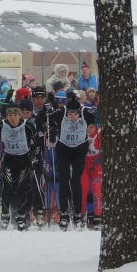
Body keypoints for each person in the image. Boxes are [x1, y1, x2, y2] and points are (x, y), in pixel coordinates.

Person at [50, 97, 97, 230]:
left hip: (79, 151)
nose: (72, 117)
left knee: (76, 182)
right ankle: (64, 213)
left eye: (75, 114)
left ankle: (77, 214)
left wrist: (95, 115)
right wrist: (53, 128)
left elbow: (96, 118)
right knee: (64, 181)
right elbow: (48, 119)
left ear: (79, 112)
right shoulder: (61, 113)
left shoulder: (85, 112)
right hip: (64, 150)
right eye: (70, 114)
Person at [0, 103, 38, 231]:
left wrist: (34, 158)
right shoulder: (2, 125)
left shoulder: (28, 126)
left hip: (24, 159)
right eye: (10, 115)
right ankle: (5, 216)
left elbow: (36, 144)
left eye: (15, 115)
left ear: (20, 115)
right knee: (7, 188)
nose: (12, 118)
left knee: (24, 188)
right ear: (6, 116)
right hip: (9, 158)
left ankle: (21, 217)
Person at [81, 122, 103, 230]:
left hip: (96, 165)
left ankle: (98, 214)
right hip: (85, 165)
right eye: (87, 127)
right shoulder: (81, 133)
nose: (89, 130)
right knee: (84, 187)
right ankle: (86, 213)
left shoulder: (99, 134)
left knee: (96, 186)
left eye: (91, 127)